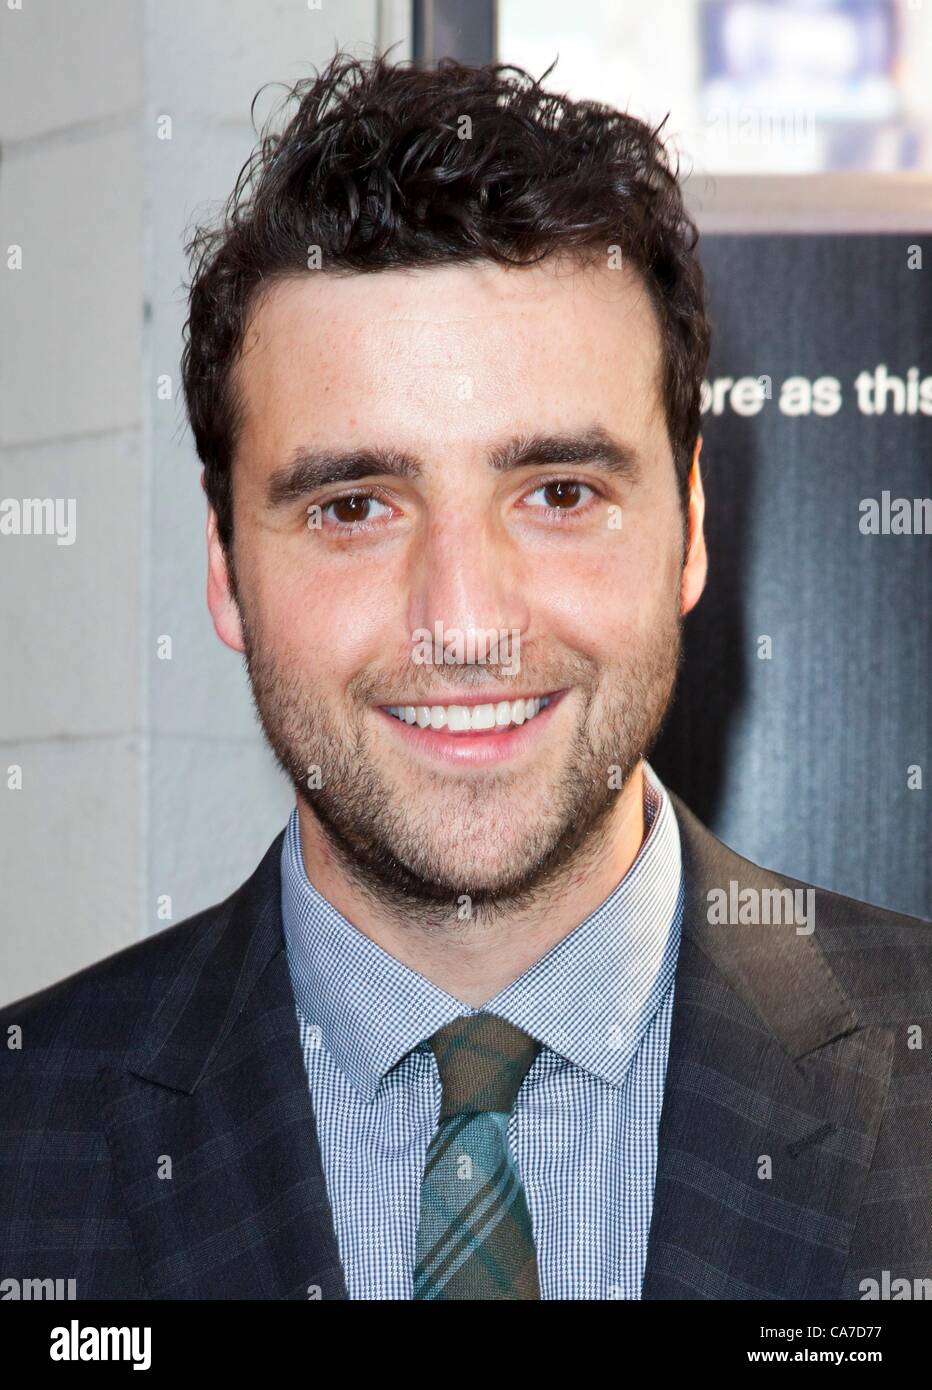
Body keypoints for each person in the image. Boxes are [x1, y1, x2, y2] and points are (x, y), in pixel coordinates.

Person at [1, 53, 929, 1302]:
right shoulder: (27, 1140)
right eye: (352, 506)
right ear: (224, 567)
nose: (462, 622)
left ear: (690, 525)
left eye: (558, 493)